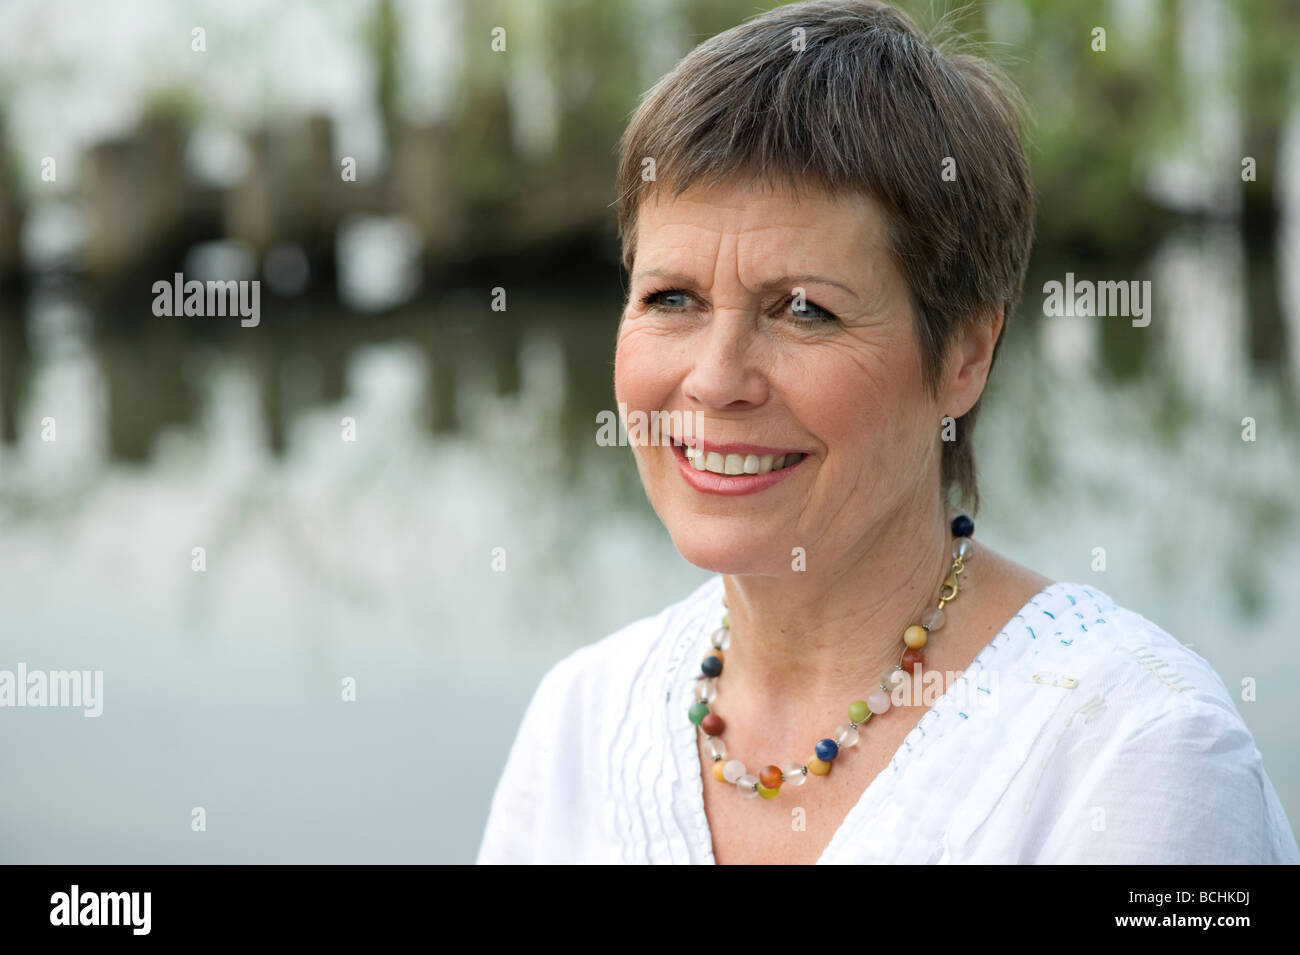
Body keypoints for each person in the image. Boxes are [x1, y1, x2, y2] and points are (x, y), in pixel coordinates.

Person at [476, 0, 1299, 864]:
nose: (716, 379)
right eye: (670, 297)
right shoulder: (580, 725)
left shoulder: (1133, 757)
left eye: (804, 309)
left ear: (965, 356)